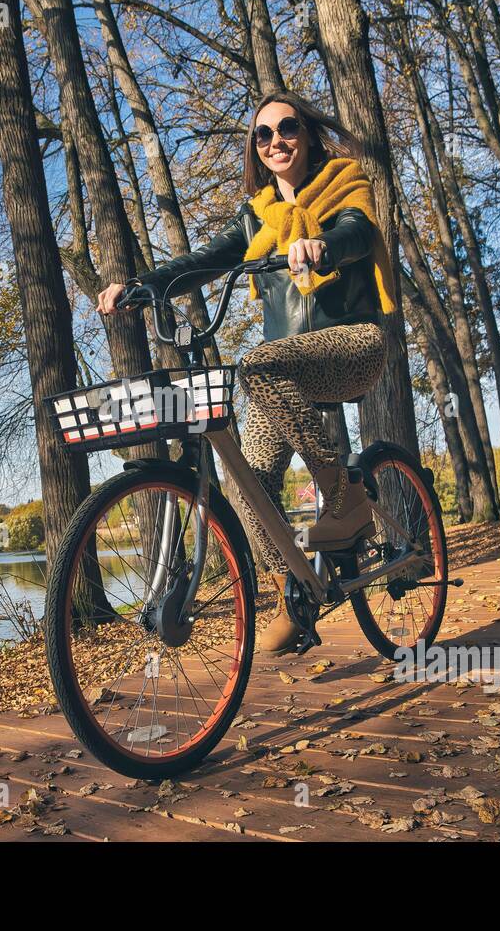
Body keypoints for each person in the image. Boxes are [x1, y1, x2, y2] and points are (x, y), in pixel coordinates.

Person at [98, 91, 396, 654]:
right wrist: (142, 286)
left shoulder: (345, 183)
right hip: (283, 370)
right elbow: (203, 261)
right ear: (256, 148)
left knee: (253, 363)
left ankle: (344, 494)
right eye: (264, 134)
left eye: (287, 129)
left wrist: (322, 246)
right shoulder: (257, 216)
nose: (277, 141)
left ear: (306, 134)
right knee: (250, 485)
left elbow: (357, 232)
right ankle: (298, 595)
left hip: (352, 344)